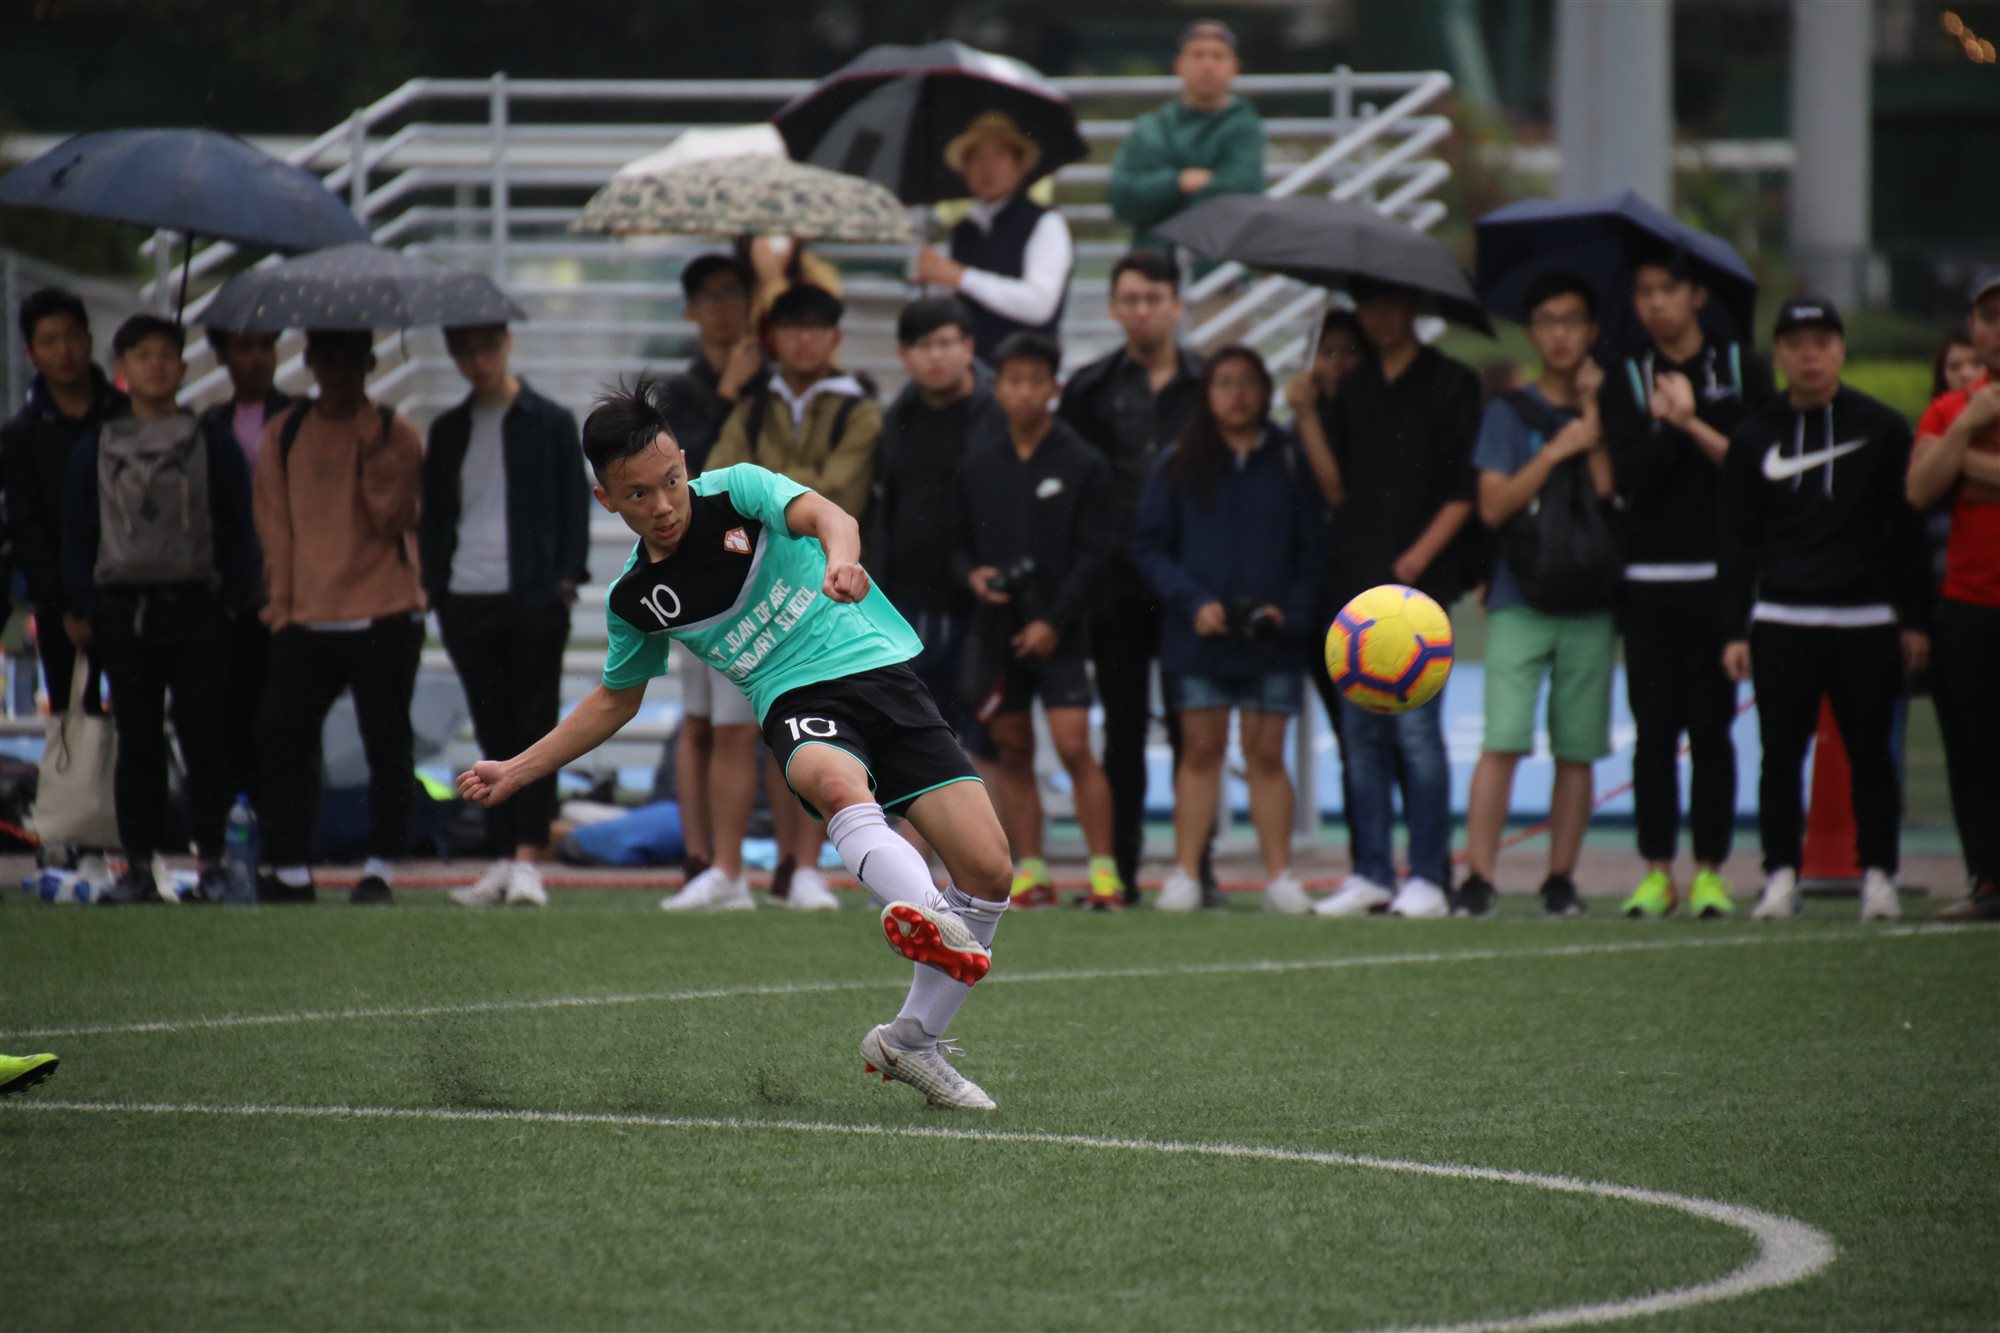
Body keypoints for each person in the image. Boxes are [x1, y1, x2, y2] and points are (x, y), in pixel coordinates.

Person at [457, 377, 1015, 1110]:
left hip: (880, 671)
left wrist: (842, 558)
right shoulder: (636, 599)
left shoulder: (740, 489)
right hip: (793, 697)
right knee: (837, 783)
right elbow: (613, 701)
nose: (662, 505)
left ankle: (910, 1039)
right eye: (637, 495)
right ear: (606, 500)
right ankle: (926, 913)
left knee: (990, 868)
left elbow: (828, 514)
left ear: (684, 463)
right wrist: (518, 769)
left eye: (670, 482)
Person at [1721, 296, 1929, 922]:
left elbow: (1908, 530)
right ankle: (1781, 875)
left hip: (1866, 621)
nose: (1810, 354)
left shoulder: (1886, 429)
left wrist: (1914, 617)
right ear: (1779, 354)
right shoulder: (1754, 435)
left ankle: (1879, 876)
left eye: (1822, 341)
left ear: (1840, 349)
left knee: (1873, 755)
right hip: (1783, 620)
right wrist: (1735, 627)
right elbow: (1736, 540)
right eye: (1796, 343)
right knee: (1780, 757)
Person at [1291, 283, 1480, 919]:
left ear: (1416, 308)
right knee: (1360, 740)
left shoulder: (1451, 382)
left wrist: (1421, 557)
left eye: (1395, 303)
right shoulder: (1356, 387)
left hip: (1420, 596)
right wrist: (1309, 415)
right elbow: (1336, 489)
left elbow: (1464, 489)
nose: (1383, 316)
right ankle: (1370, 870)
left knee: (1419, 739)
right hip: (1356, 589)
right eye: (1370, 304)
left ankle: (1429, 875)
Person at [1597, 250, 1777, 920]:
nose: (1654, 303)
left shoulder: (1738, 368)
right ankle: (1654, 871)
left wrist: (1688, 420)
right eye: (1642, 291)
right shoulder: (1624, 377)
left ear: (1697, 295)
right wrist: (1670, 431)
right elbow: (1628, 476)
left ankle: (1709, 872)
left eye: (1666, 289)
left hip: (1720, 582)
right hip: (1646, 582)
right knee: (1653, 734)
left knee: (1712, 732)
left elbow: (1756, 465)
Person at [62, 315, 259, 904]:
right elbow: (79, 530)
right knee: (137, 742)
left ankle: (214, 862)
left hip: (197, 609)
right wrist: (86, 605)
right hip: (124, 613)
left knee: (205, 740)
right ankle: (141, 866)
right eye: (143, 355)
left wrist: (229, 602)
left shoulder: (210, 441)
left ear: (182, 366)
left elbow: (238, 528)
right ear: (122, 367)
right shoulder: (97, 444)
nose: (156, 366)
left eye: (168, 355)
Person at [708, 282, 880, 904]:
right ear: (774, 338)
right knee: (731, 731)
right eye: (793, 327)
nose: (805, 340)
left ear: (835, 338)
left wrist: (767, 497)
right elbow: (719, 484)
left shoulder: (859, 409)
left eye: (818, 327)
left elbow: (840, 495)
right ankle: (727, 872)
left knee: (806, 727)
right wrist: (780, 502)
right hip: (742, 593)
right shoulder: (751, 405)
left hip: (819, 593)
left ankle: (803, 865)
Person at [1138, 346, 1323, 915]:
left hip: (1274, 638)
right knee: (1200, 751)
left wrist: (1287, 614)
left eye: (1248, 382)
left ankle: (1280, 876)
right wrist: (1194, 601)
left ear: (1267, 392)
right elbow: (1149, 546)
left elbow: (1314, 550)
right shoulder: (1177, 462)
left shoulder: (1292, 459)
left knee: (1267, 753)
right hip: (1198, 636)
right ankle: (1187, 874)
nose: (1237, 394)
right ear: (1206, 394)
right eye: (1223, 383)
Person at [1462, 271, 1619, 919]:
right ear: (1531, 333)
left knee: (1577, 746)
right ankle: (1478, 877)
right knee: (1502, 739)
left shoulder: (1611, 407)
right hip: (1518, 595)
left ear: (1593, 331)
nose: (1561, 334)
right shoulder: (1508, 412)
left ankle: (1561, 877)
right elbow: (1493, 505)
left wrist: (1596, 419)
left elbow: (1612, 497)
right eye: (1548, 322)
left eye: (1573, 320)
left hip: (1592, 599)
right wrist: (1556, 450)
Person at [421, 323, 591, 910]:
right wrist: (437, 588)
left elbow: (576, 507)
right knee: (491, 729)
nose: (478, 361)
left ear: (507, 345)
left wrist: (565, 585)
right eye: (465, 350)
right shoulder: (447, 430)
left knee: (535, 728)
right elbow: (436, 516)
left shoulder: (549, 420)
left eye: (487, 347)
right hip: (467, 598)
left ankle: (527, 860)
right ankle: (498, 859)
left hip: (534, 598)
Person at [253, 329, 425, 906]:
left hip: (383, 610)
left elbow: (394, 517)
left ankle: (381, 865)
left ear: (370, 363)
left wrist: (373, 448)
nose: (339, 369)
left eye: (351, 358)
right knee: (281, 736)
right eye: (327, 357)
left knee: (387, 742)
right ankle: (289, 863)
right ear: (309, 362)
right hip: (304, 615)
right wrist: (279, 605)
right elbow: (274, 527)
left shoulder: (395, 430)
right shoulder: (286, 432)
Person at [1058, 250, 1208, 905]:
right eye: (1130, 299)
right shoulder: (1089, 388)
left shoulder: (1211, 385)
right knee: (1120, 731)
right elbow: (1073, 493)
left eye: (1154, 298)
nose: (1143, 311)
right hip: (1113, 584)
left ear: (1177, 304)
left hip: (1190, 586)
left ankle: (1194, 870)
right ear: (1115, 307)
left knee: (1193, 731)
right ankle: (1119, 869)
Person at [952, 332, 1118, 910]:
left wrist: (1053, 621)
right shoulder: (979, 461)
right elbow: (957, 544)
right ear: (999, 389)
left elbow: (1096, 555)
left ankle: (1104, 875)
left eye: (1035, 381)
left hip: (1064, 631)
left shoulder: (1082, 461)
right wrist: (972, 576)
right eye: (1013, 381)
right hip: (998, 633)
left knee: (1075, 747)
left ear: (1055, 388)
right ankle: (1034, 872)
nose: (1024, 393)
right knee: (1012, 748)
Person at [1907, 271, 2000, 922]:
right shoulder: (1951, 409)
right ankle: (1987, 881)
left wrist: (1963, 463)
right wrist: (1969, 423)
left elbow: (1946, 472)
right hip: (1969, 600)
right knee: (1973, 749)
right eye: (1987, 316)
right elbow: (1918, 488)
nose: (1996, 329)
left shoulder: (1946, 426)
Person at [875, 296, 1000, 719]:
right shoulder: (898, 415)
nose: (936, 356)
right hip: (910, 600)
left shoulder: (1000, 411)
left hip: (983, 602)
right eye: (923, 346)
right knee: (918, 732)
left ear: (969, 347)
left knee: (990, 741)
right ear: (902, 355)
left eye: (946, 343)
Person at [1, 287, 123, 720]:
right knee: (75, 726)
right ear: (31, 353)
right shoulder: (21, 435)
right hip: (62, 608)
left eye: (73, 336)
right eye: (49, 341)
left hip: (131, 593)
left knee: (138, 724)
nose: (65, 351)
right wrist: (65, 608)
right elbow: (27, 526)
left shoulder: (126, 417)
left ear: (89, 341)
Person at [196, 328, 294, 805]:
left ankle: (286, 833)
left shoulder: (298, 417)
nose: (256, 358)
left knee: (285, 724)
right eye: (244, 347)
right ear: (222, 356)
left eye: (264, 345)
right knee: (228, 718)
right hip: (230, 596)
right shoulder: (209, 425)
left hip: (287, 594)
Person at [915, 113, 1074, 359]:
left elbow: (1039, 304)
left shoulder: (1045, 223)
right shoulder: (963, 230)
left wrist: (961, 277)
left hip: (1026, 374)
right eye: (976, 158)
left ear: (1020, 166)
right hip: (973, 373)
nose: (987, 168)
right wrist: (934, 278)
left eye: (998, 156)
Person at [1107, 19, 1266, 257]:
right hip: (1155, 273)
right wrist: (1178, 181)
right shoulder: (1150, 127)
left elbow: (1241, 191)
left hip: (1219, 274)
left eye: (1218, 56)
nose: (1208, 64)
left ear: (1235, 66)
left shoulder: (1245, 127)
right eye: (1198, 55)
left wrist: (1159, 194)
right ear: (1179, 64)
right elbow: (1122, 198)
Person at [659, 254, 766, 477]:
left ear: (750, 304)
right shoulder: (677, 393)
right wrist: (726, 393)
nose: (721, 305)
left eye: (731, 292)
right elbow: (690, 465)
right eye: (708, 296)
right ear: (689, 312)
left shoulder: (773, 386)